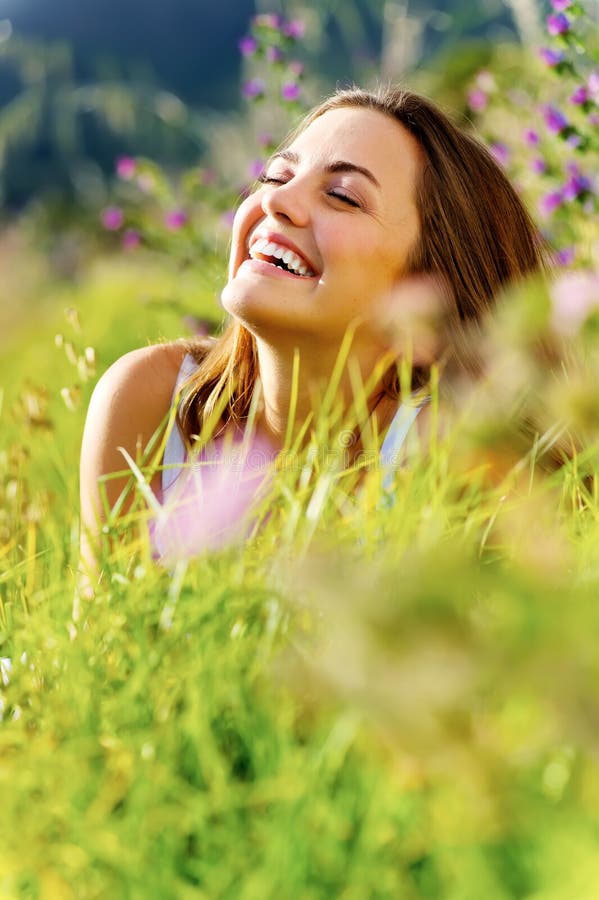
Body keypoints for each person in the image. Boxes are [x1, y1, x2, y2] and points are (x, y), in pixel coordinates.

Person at [79, 84, 547, 580]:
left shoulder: (450, 455)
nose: (276, 200)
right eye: (276, 175)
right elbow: (103, 627)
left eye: (342, 196)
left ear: (427, 285)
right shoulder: (150, 401)